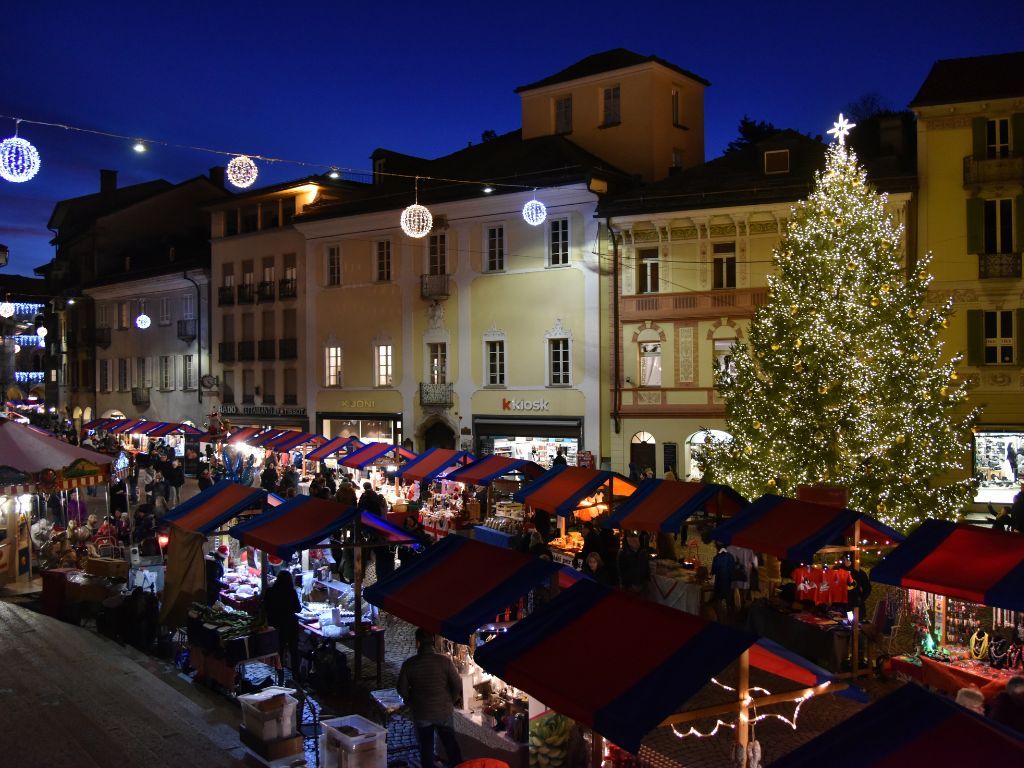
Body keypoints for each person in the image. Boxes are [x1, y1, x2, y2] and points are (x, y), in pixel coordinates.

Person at [398, 628, 464, 768]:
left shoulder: (409, 664)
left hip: (422, 712)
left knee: (426, 748)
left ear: (417, 643)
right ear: (433, 641)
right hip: (443, 710)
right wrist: (451, 700)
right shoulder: (445, 661)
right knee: (451, 745)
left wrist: (411, 701)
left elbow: (401, 689)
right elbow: (457, 684)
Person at [264, 572, 301, 679]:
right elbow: (298, 609)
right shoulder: (291, 592)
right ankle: (296, 675)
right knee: (294, 651)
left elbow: (265, 608)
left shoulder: (270, 591)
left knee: (278, 651)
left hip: (276, 626)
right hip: (290, 626)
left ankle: (280, 674)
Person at [617, 531, 652, 595]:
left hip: (641, 583)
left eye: (637, 541)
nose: (637, 543)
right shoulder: (624, 553)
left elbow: (645, 567)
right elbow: (622, 570)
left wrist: (647, 579)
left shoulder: (642, 552)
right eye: (634, 541)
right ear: (629, 542)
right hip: (630, 585)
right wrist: (628, 585)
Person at [711, 544, 737, 621]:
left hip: (719, 583)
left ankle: (720, 617)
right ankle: (729, 614)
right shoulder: (731, 557)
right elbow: (733, 571)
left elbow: (713, 571)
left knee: (718, 599)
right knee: (728, 598)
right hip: (728, 583)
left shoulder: (716, 558)